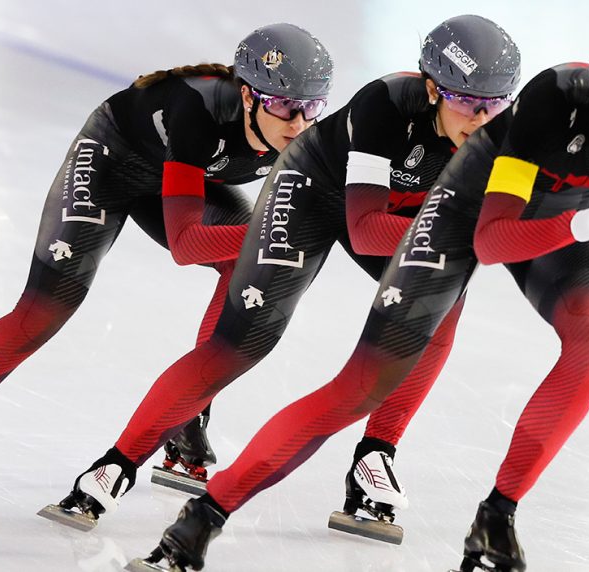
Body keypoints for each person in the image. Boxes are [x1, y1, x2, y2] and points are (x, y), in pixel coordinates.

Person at [131, 28, 589, 572]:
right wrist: (586, 224)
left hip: (561, 212)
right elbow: (492, 239)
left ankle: (496, 519)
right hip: (473, 213)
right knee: (360, 388)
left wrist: (582, 217)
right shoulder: (545, 110)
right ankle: (203, 518)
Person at [50, 14, 522, 534]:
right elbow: (364, 229)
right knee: (246, 342)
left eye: (496, 103)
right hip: (313, 196)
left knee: (442, 306)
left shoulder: (504, 133)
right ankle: (116, 465)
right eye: (465, 100)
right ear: (433, 88)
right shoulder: (385, 104)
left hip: (388, 213)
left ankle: (375, 457)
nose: (481, 117)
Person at [0, 23, 333, 489]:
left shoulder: (308, 136)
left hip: (182, 178)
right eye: (286, 106)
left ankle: (189, 412)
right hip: (113, 162)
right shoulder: (198, 109)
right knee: (44, 309)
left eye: (312, 107)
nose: (300, 124)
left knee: (246, 266)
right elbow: (187, 244)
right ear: (249, 95)